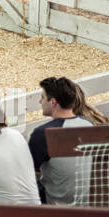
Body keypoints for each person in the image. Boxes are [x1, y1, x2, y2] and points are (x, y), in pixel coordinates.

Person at [27, 77, 93, 205]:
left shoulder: (43, 133)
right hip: (88, 204)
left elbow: (28, 173)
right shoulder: (88, 125)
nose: (40, 101)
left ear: (53, 102)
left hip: (59, 207)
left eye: (42, 97)